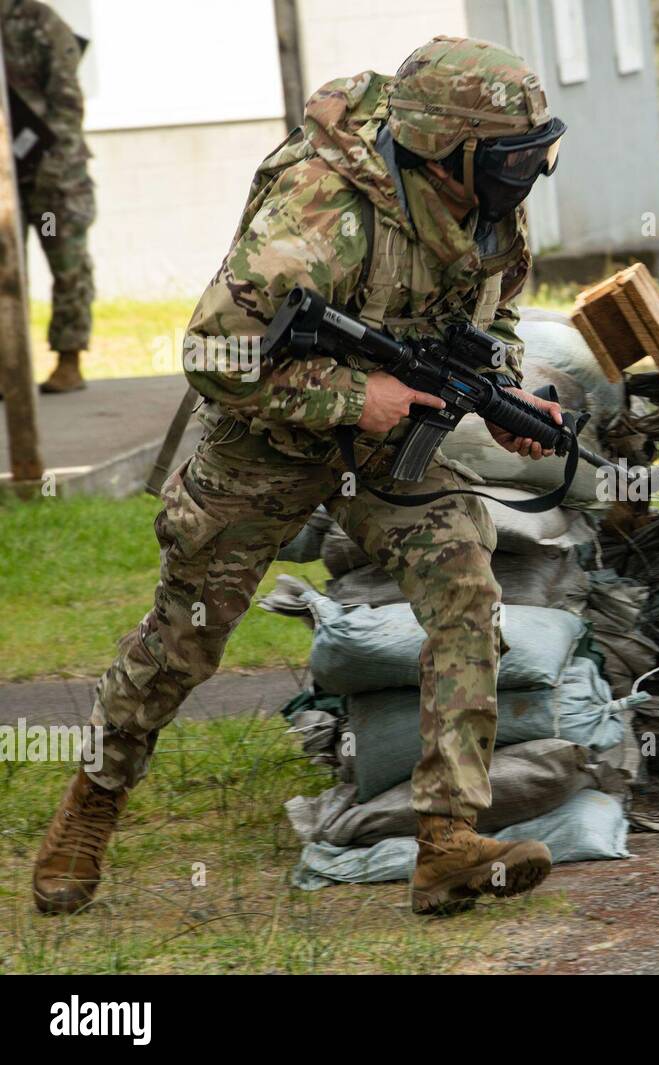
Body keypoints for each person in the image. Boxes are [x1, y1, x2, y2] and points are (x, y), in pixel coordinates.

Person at [31, 35, 568, 917]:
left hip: (391, 447)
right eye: (514, 156)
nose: (531, 173)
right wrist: (360, 394)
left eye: (535, 152)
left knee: (465, 583)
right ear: (448, 146)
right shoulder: (322, 213)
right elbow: (213, 351)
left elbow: (497, 317)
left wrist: (507, 399)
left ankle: (446, 841)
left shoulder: (487, 212)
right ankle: (91, 803)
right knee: (182, 643)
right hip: (263, 444)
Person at [1, 0, 95, 393]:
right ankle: (8, 368)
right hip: (7, 178)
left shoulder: (37, 21)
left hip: (49, 180)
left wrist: (52, 165)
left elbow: (67, 102)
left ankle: (68, 360)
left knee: (63, 258)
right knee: (5, 267)